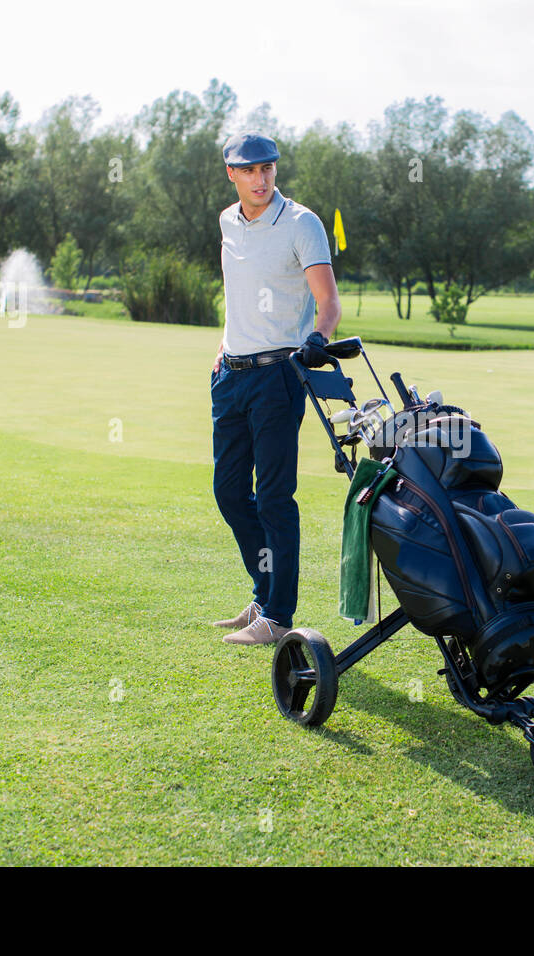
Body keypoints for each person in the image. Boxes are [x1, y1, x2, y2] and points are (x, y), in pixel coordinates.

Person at [209, 131, 341, 646]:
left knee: (274, 497)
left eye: (268, 169)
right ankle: (265, 593)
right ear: (232, 174)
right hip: (232, 377)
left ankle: (279, 616)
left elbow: (327, 301)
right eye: (250, 171)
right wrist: (222, 349)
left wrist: (318, 339)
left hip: (279, 376)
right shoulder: (227, 221)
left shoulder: (302, 223)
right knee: (229, 492)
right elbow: (236, 295)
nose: (261, 179)